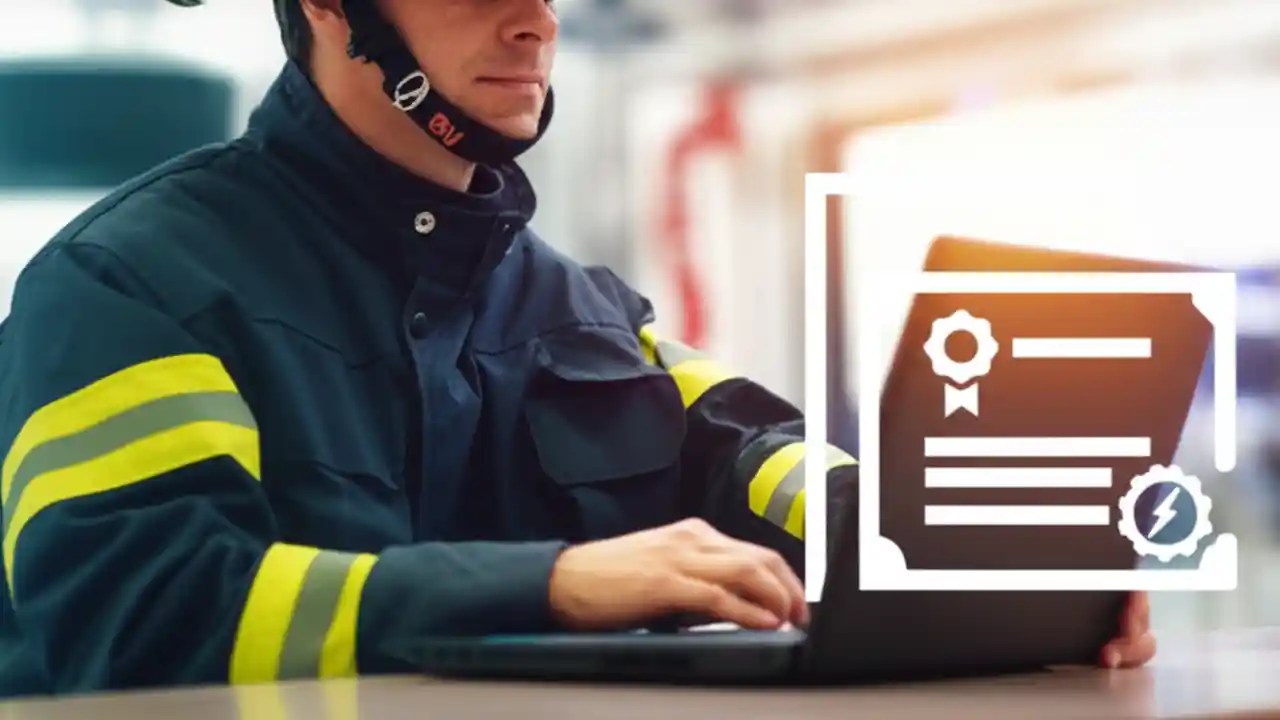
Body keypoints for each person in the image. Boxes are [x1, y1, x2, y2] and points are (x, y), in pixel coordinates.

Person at [0, 0, 1154, 696]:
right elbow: (149, 624)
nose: (535, 18)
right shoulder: (130, 286)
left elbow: (759, 454)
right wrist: (548, 587)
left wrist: (980, 560)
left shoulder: (579, 307)